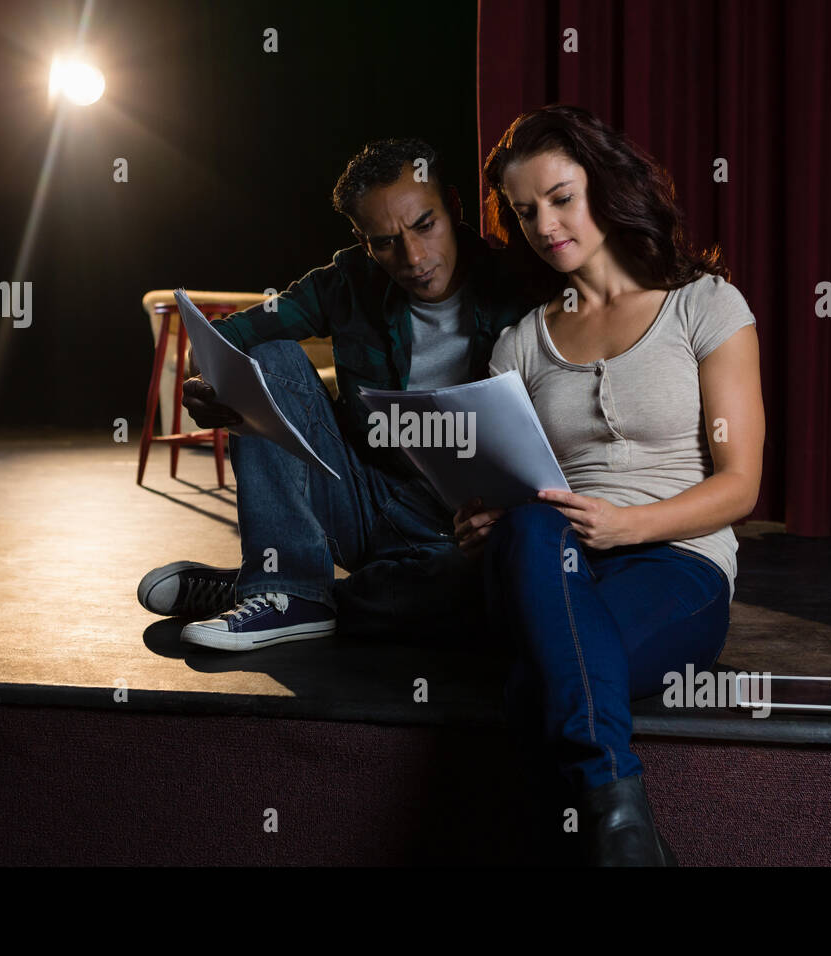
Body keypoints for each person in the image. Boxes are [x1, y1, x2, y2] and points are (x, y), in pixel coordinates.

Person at [456, 105, 764, 865]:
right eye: (525, 212)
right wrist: (477, 521)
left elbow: (741, 486)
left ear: (606, 184)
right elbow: (502, 481)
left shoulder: (705, 305)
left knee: (540, 690)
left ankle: (620, 829)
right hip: (547, 561)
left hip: (675, 564)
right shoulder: (519, 342)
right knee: (530, 524)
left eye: (561, 197)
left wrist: (627, 527)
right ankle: (622, 826)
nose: (546, 223)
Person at [136, 138, 537, 650]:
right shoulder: (350, 280)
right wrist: (208, 382)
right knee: (268, 359)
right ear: (362, 240)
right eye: (385, 241)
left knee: (478, 595)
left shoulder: (516, 289)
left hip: (458, 529)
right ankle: (290, 589)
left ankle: (279, 588)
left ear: (455, 208)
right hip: (363, 497)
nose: (412, 257)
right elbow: (226, 341)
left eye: (424, 225)